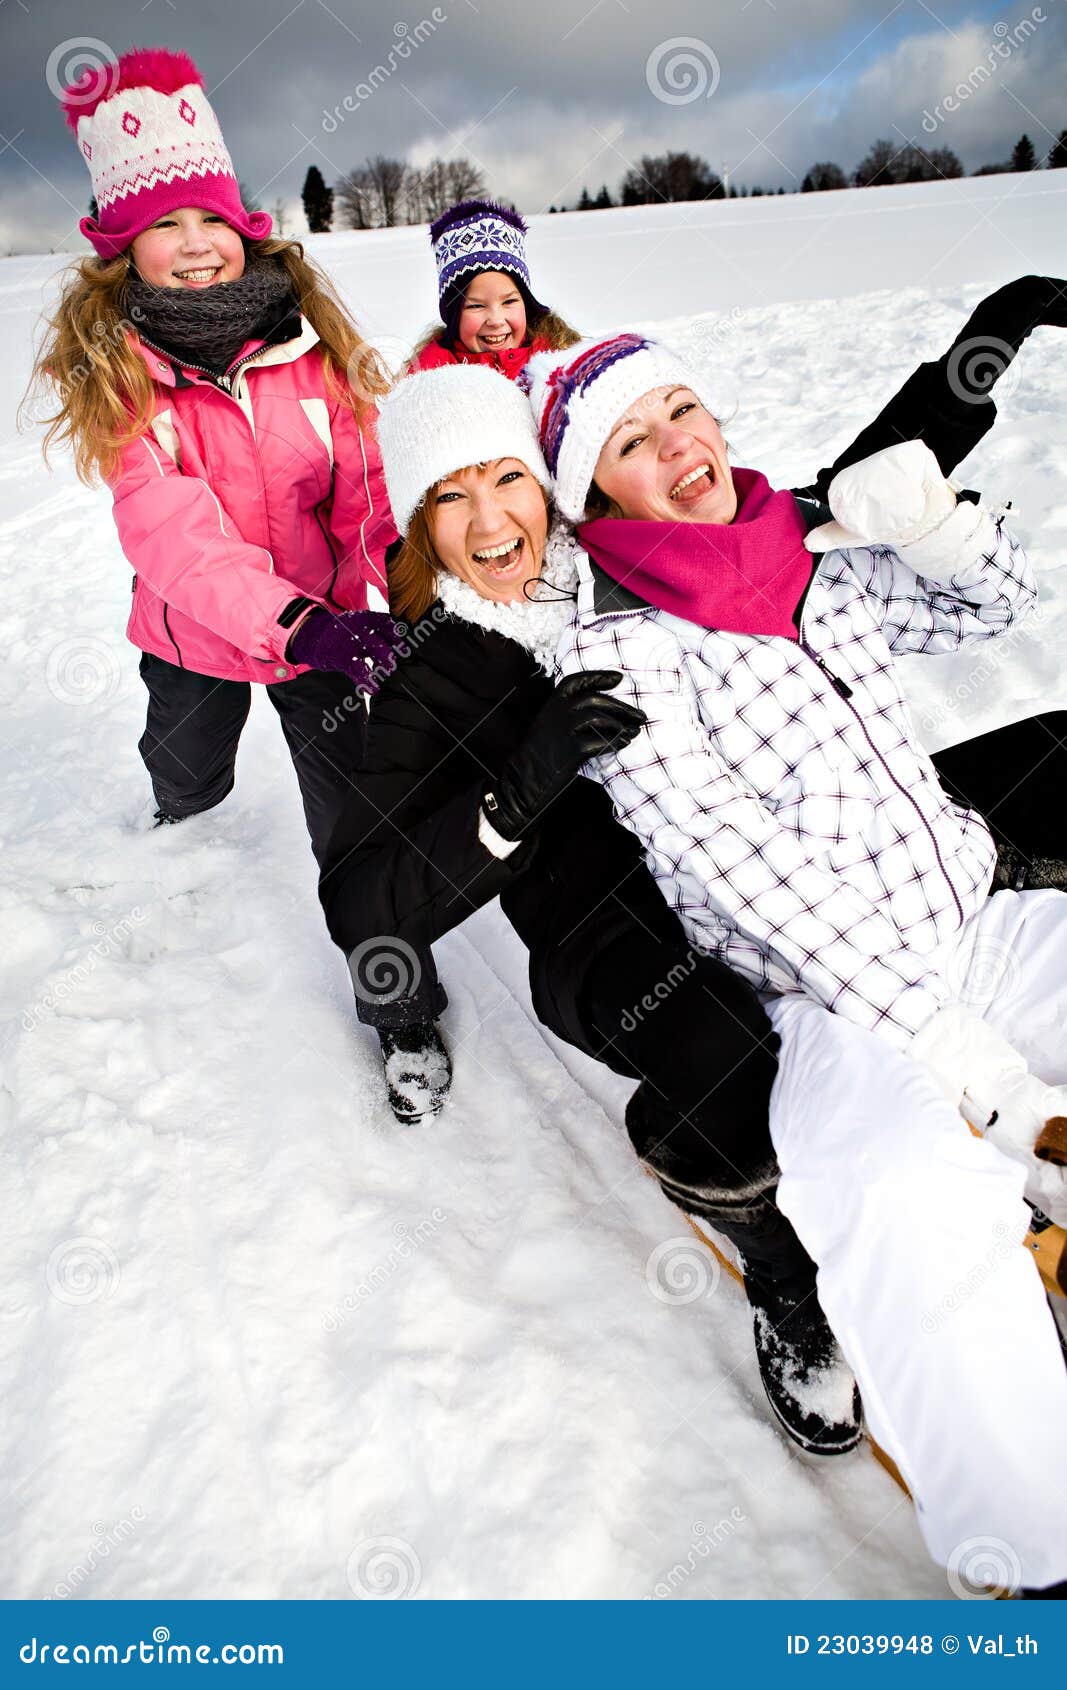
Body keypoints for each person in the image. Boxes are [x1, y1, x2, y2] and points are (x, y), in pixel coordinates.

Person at [525, 330, 1067, 1592]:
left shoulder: (811, 558)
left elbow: (991, 607)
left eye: (683, 410)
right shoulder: (619, 649)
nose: (677, 446)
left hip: (974, 921)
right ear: (597, 494)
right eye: (630, 441)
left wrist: (937, 530)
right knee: (891, 1191)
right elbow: (733, 869)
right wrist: (933, 1036)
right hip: (836, 1008)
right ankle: (1032, 1551)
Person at [318, 363, 864, 1455]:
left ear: (550, 487)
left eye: (508, 480)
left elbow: (796, 508)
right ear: (421, 523)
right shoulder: (427, 672)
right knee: (717, 1052)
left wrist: (945, 411)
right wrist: (511, 796)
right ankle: (774, 1264)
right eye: (451, 497)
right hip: (606, 929)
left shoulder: (630, 554)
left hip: (766, 853)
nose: (489, 522)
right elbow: (361, 902)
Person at [27, 46, 404, 867]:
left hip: (323, 623)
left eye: (211, 219)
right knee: (187, 771)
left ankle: (389, 972)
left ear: (243, 228)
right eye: (164, 224)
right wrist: (294, 627)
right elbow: (176, 539)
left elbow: (370, 496)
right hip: (191, 629)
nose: (196, 245)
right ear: (125, 248)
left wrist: (407, 571)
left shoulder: (313, 354)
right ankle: (183, 852)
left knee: (352, 813)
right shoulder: (125, 380)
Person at [410, 199, 580, 378]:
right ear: (453, 316)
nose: (496, 321)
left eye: (509, 301)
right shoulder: (431, 373)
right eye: (476, 306)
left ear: (526, 302)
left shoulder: (557, 355)